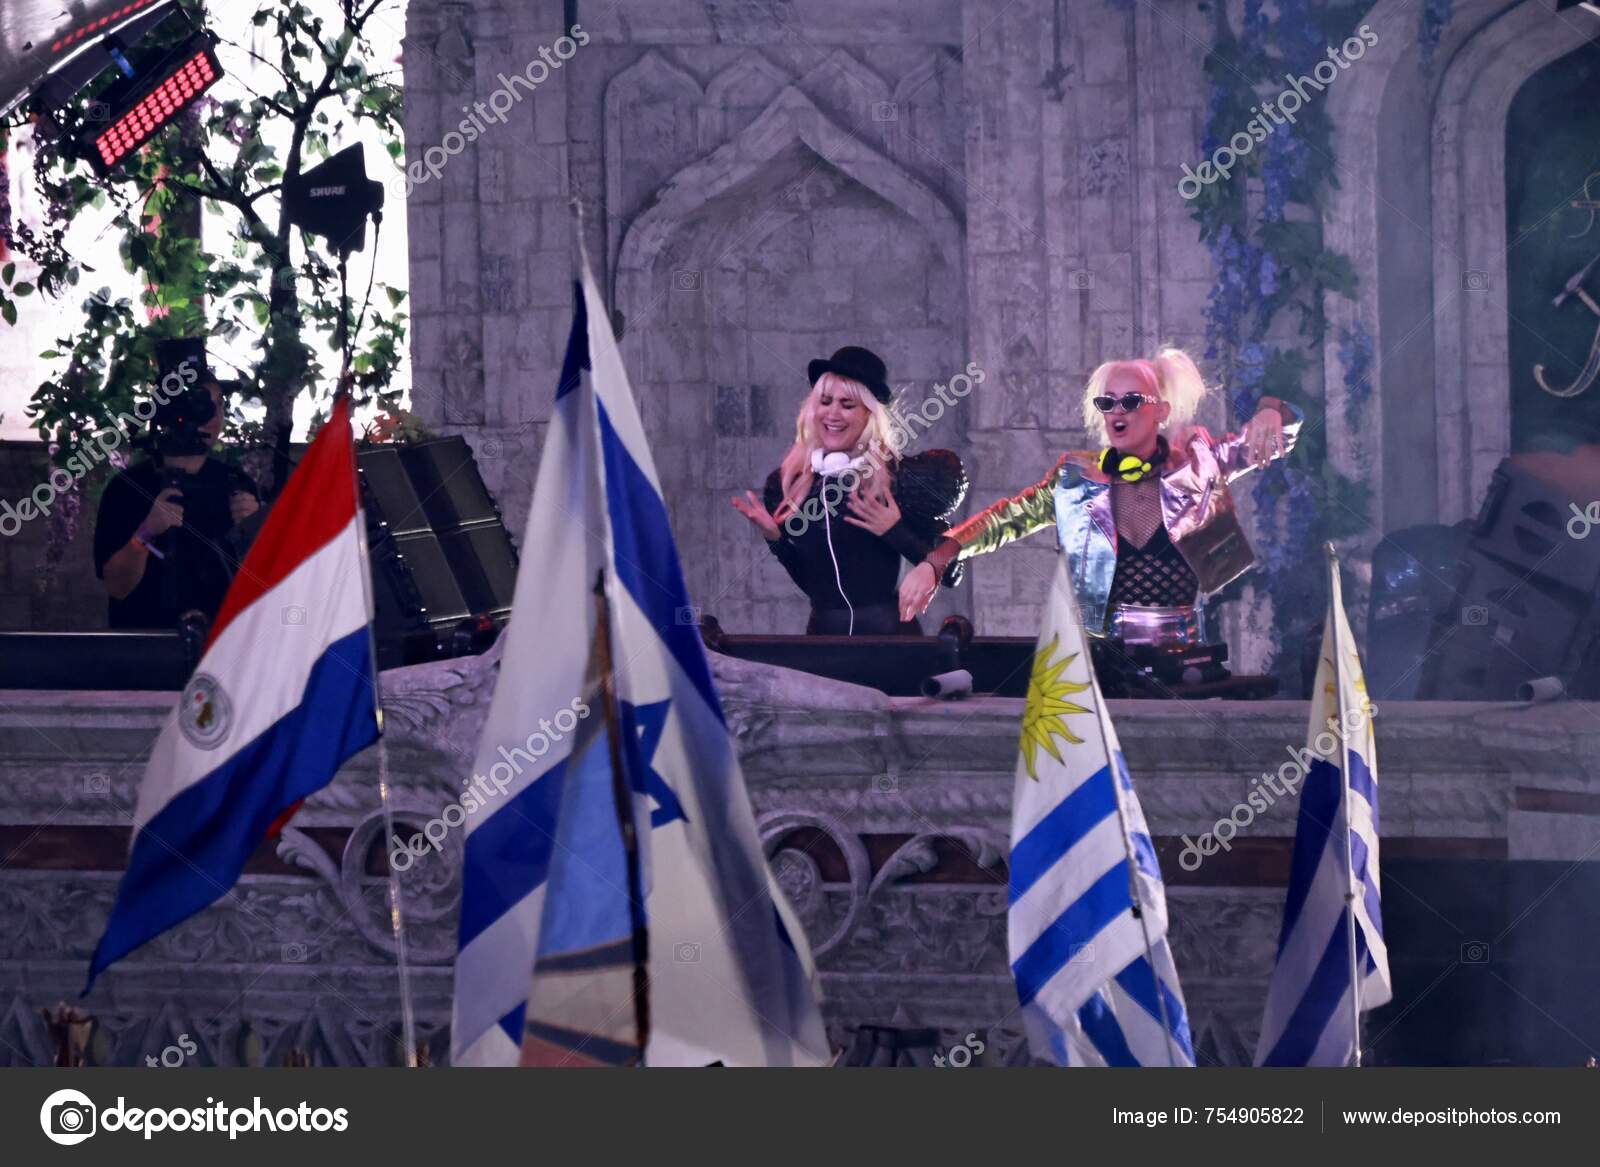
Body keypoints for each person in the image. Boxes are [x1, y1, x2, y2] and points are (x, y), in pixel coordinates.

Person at [897, 346, 1301, 644]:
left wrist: (1270, 409)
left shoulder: (1197, 463)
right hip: (1100, 658)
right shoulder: (1075, 479)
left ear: (1161, 411)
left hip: (1182, 651)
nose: (1117, 411)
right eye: (1108, 403)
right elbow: (1003, 520)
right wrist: (935, 561)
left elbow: (1276, 434)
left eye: (1131, 401)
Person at [731, 345, 968, 635]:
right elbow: (815, 587)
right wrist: (776, 540)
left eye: (847, 405)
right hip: (824, 642)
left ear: (869, 415)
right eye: (825, 401)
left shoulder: (900, 479)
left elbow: (952, 570)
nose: (832, 414)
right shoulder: (794, 485)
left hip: (892, 643)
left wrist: (894, 531)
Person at [94, 366, 263, 630]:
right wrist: (146, 532)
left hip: (221, 642)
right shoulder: (128, 488)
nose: (214, 415)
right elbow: (117, 586)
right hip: (145, 641)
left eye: (219, 404)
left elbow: (263, 579)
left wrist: (255, 528)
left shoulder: (237, 484)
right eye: (202, 403)